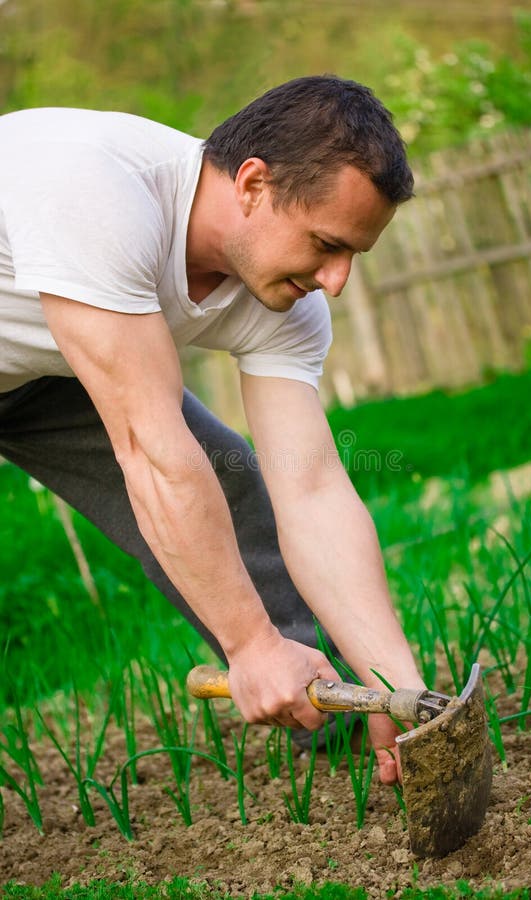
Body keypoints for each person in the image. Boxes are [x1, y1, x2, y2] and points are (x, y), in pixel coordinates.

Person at [0, 75, 425, 784]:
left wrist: (395, 679)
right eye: (326, 243)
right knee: (175, 459)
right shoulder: (100, 191)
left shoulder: (288, 304)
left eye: (354, 254)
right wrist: (248, 643)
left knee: (228, 481)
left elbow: (312, 486)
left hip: (34, 368)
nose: (338, 280)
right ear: (254, 183)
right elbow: (152, 452)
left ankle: (346, 719)